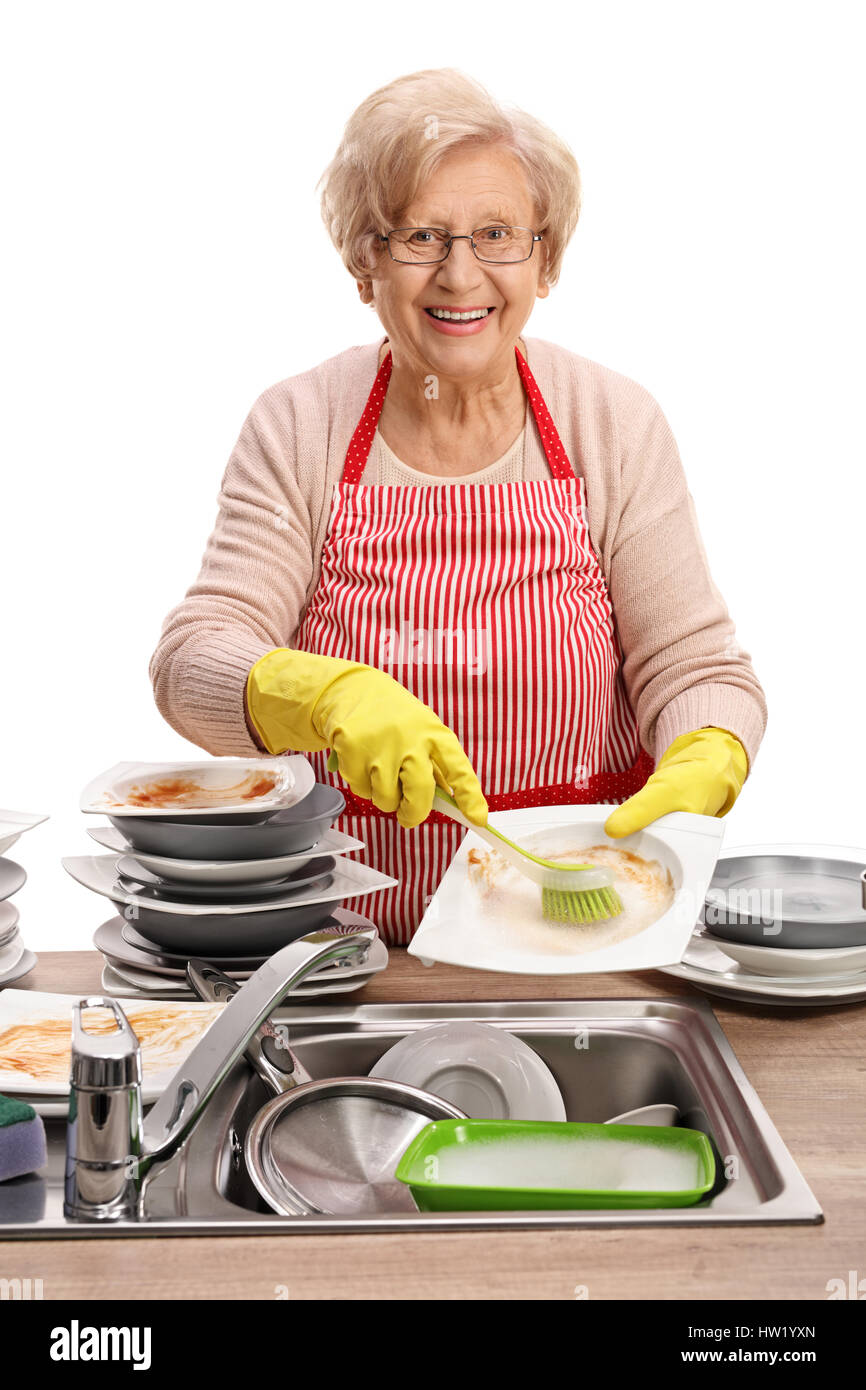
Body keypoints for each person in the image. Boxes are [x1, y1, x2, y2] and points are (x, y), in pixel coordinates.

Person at [150, 69, 767, 945]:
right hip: (352, 952)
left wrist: (711, 749)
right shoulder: (300, 425)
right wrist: (318, 692)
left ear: (544, 260)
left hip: (573, 931)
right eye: (422, 236)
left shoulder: (611, 422)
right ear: (366, 262)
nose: (461, 273)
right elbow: (188, 663)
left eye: (496, 235)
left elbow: (699, 667)